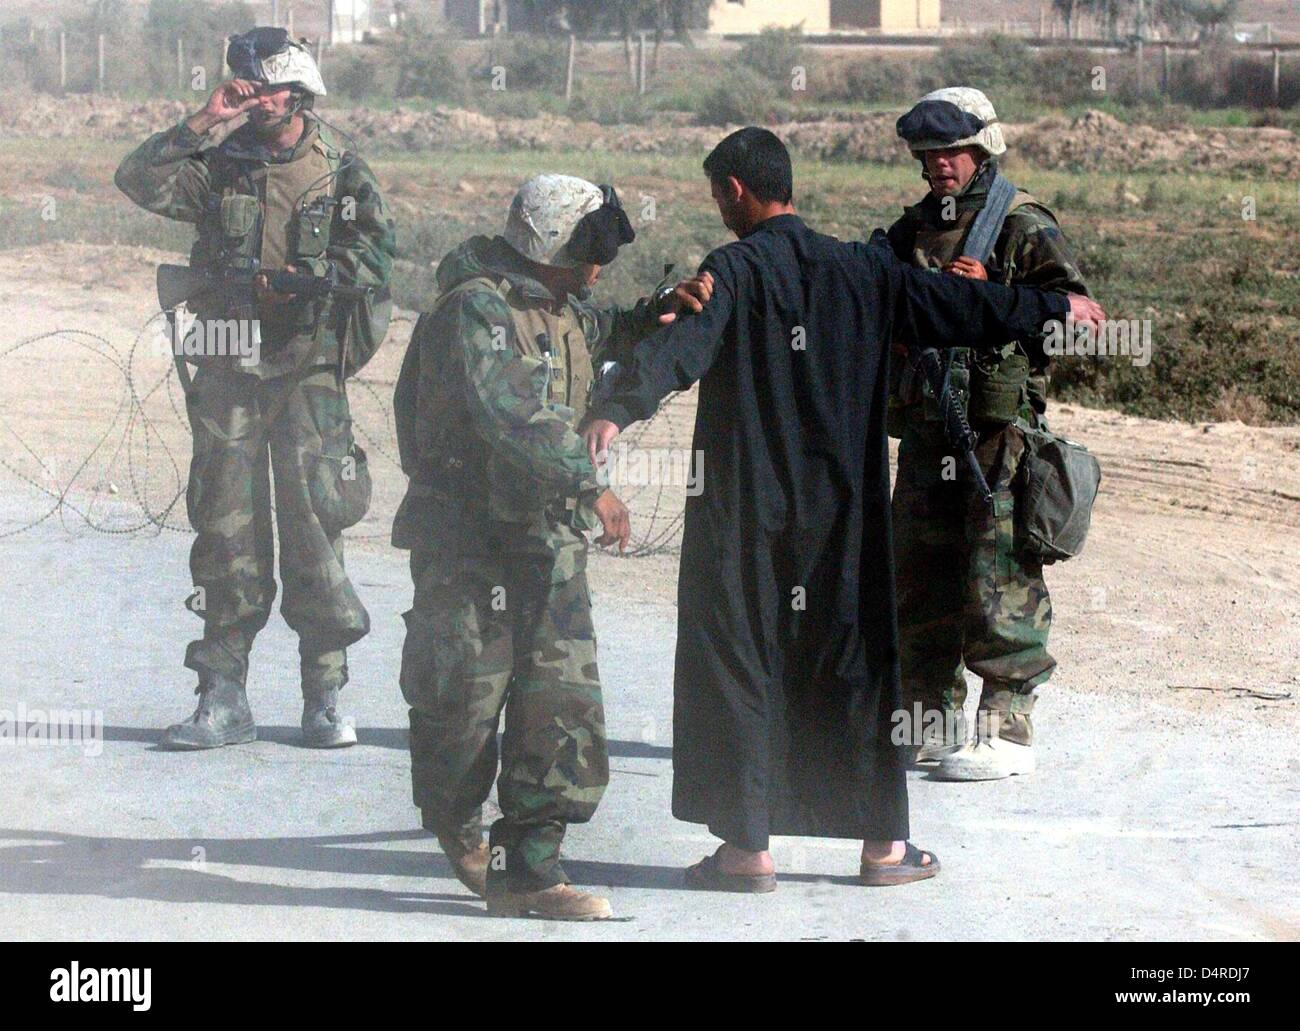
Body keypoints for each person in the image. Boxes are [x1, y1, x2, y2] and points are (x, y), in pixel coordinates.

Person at [583, 128, 1104, 890]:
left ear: (734, 191)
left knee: (740, 656)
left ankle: (747, 849)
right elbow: (962, 303)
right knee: (858, 662)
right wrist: (1051, 304)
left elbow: (681, 349)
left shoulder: (732, 269)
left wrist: (617, 407)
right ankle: (883, 848)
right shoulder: (864, 269)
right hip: (845, 515)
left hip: (746, 513)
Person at [391, 174, 712, 920]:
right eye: (589, 248)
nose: (599, 264)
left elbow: (595, 336)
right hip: (469, 540)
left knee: (559, 701)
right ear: (549, 246)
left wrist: (657, 314)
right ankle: (457, 819)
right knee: (463, 701)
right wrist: (588, 483)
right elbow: (511, 412)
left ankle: (529, 866)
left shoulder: (557, 304)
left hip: (543, 537)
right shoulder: (476, 307)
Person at [115, 28, 396, 750]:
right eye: (248, 85)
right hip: (231, 365)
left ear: (299, 88)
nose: (260, 99)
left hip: (306, 371)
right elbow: (137, 180)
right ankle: (222, 691)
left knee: (314, 525)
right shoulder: (220, 162)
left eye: (270, 87)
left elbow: (376, 267)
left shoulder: (340, 171)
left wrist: (314, 293)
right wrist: (205, 119)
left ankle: (324, 690)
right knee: (226, 529)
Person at [886, 87, 1091, 780]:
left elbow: (1081, 316)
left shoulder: (1020, 223)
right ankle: (929, 719)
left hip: (997, 438)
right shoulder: (910, 230)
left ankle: (1007, 728)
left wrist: (993, 299)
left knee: (999, 573)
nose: (939, 164)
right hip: (927, 429)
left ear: (983, 149)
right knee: (919, 575)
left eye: (952, 151)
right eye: (928, 153)